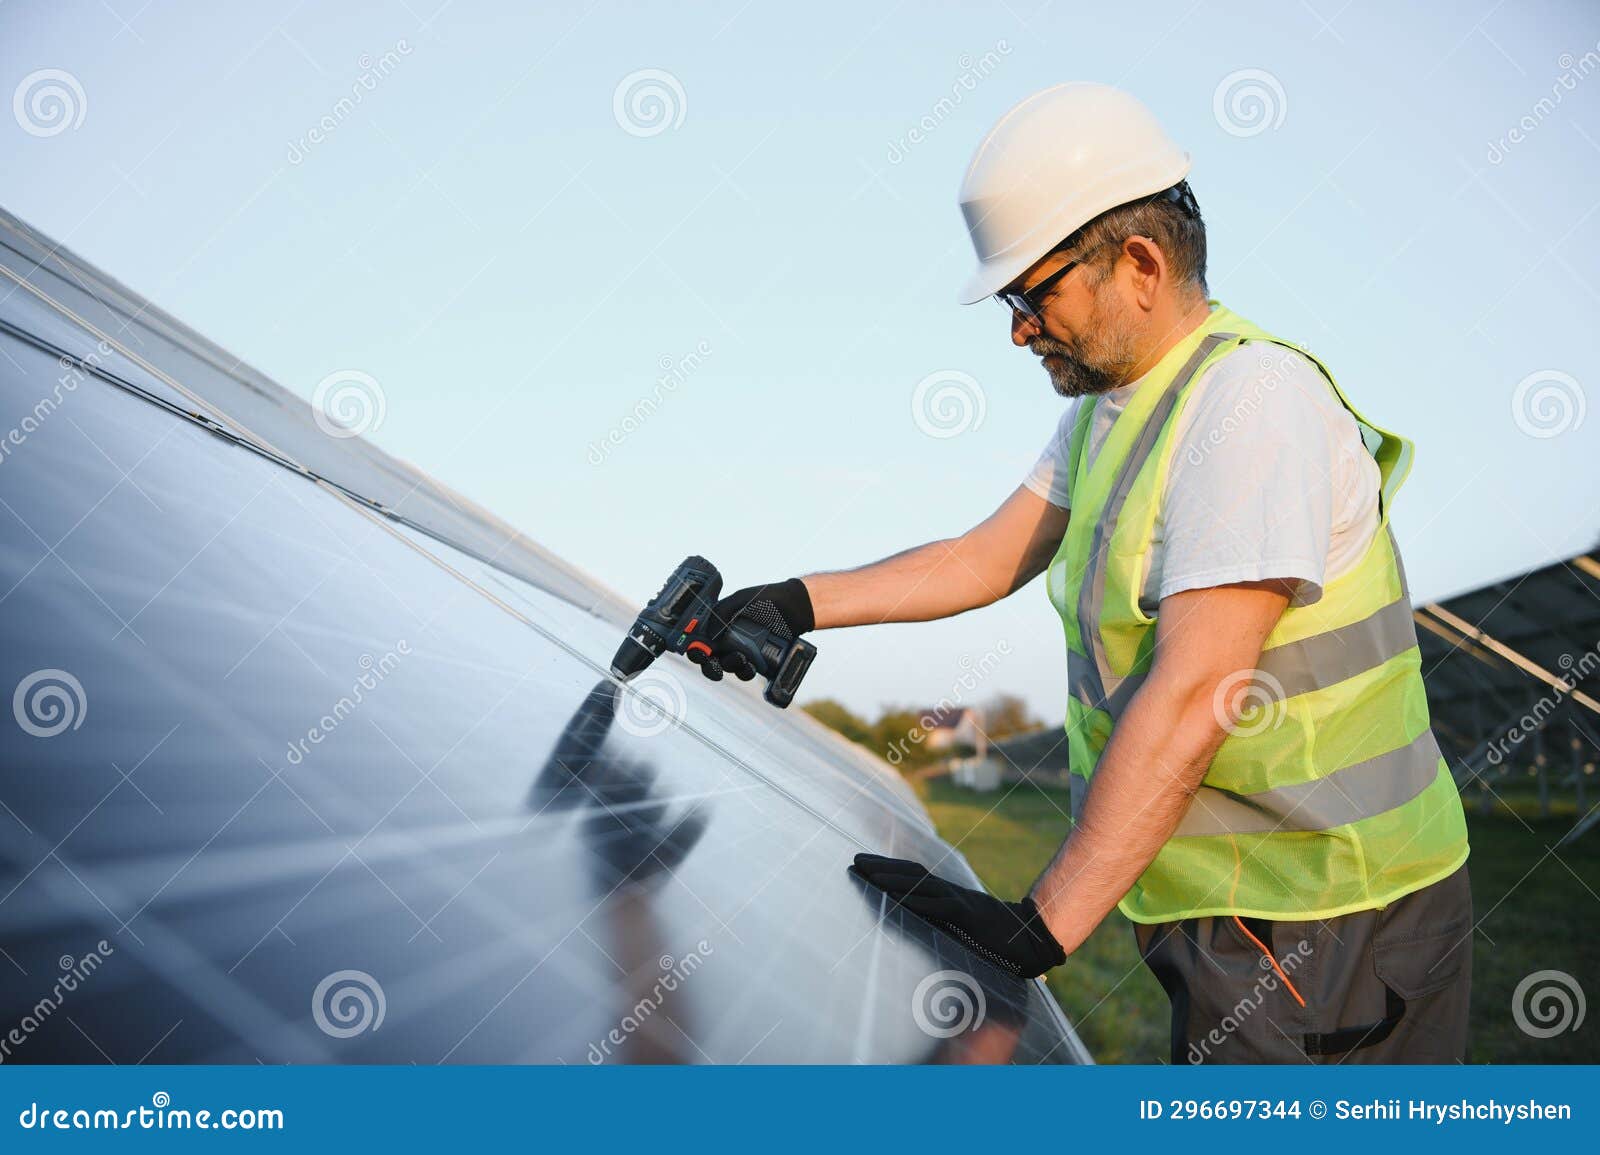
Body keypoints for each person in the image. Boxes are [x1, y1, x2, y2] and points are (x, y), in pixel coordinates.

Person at [684, 82, 1472, 1064]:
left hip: (1333, 910)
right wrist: (796, 601)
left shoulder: (1251, 406)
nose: (1018, 328)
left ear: (1138, 265)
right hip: (1239, 903)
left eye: (1033, 293)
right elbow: (982, 558)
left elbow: (1196, 694)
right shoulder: (1111, 414)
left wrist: (1040, 926)